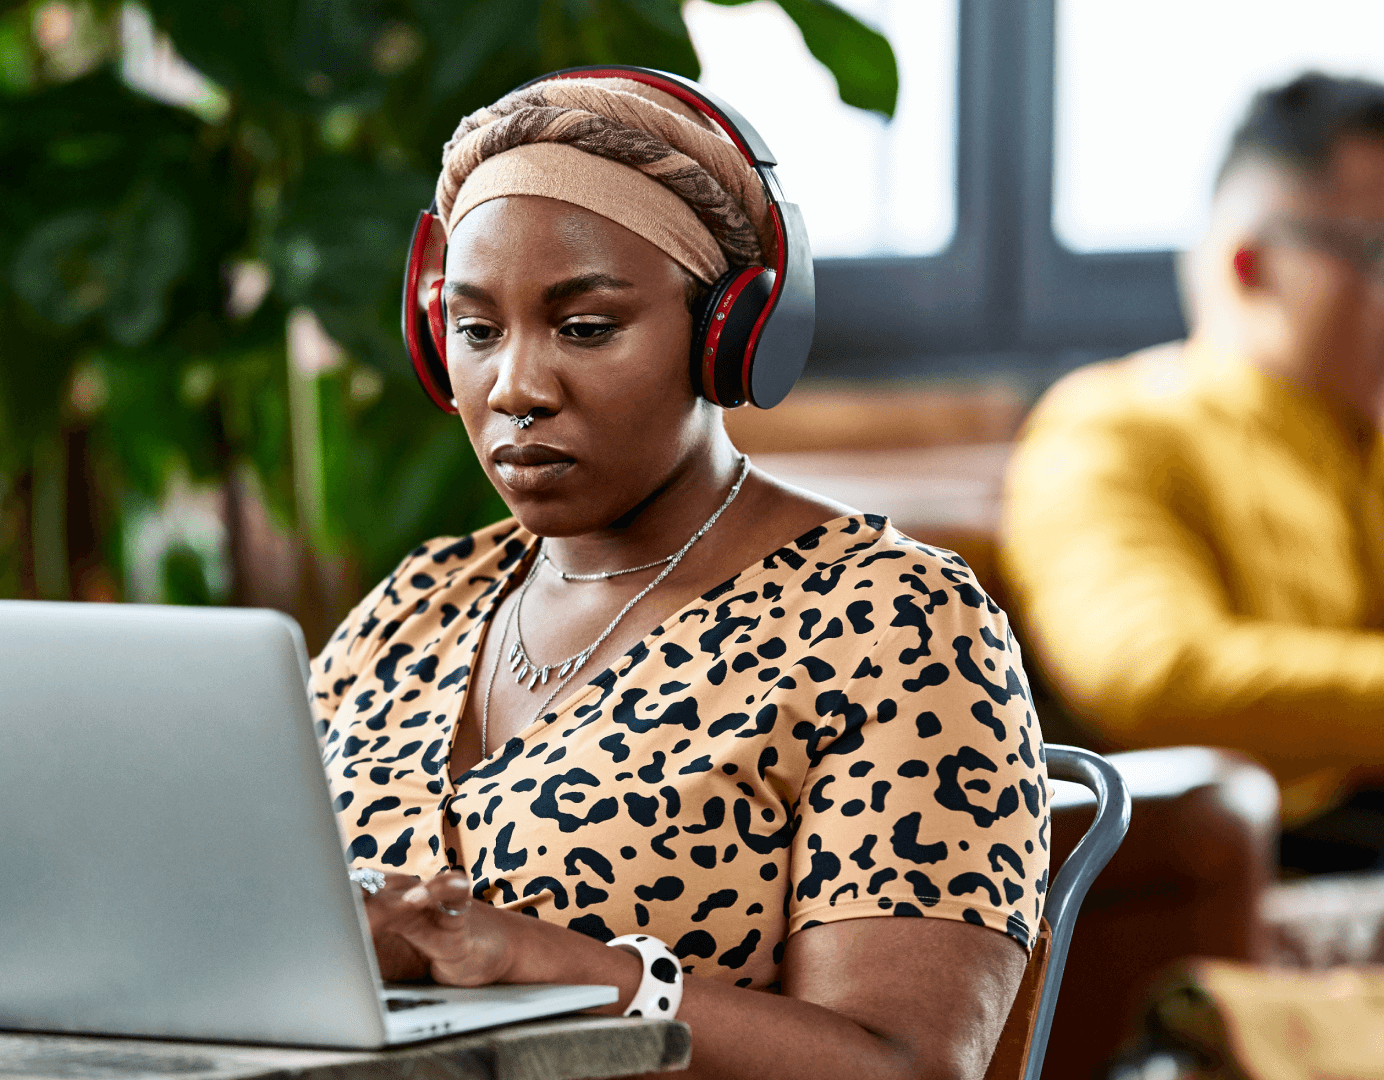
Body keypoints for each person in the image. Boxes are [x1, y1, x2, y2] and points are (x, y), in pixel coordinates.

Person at [309, 72, 1048, 1080]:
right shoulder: (414, 609)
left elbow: (905, 1067)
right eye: (477, 332)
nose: (517, 387)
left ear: (729, 337)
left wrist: (539, 963)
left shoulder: (893, 627)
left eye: (586, 327)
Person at [1001, 72, 1384, 873]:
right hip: (1261, 848)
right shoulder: (1115, 424)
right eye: (1373, 253)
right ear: (1252, 263)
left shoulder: (1365, 436)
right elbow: (1149, 675)